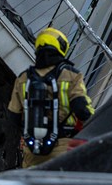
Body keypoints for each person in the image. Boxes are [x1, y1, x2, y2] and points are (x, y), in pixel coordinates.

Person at [8, 27, 94, 168]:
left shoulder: (23, 78)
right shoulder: (71, 76)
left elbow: (14, 116)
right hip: (64, 149)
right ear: (60, 47)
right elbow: (82, 110)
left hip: (33, 150)